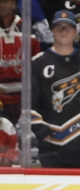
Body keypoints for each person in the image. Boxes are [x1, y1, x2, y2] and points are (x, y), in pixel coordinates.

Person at [32, 10, 80, 168]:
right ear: (52, 31)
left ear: (75, 31)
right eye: (59, 27)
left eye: (68, 28)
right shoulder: (38, 63)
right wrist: (42, 132)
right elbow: (29, 104)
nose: (64, 31)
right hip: (52, 147)